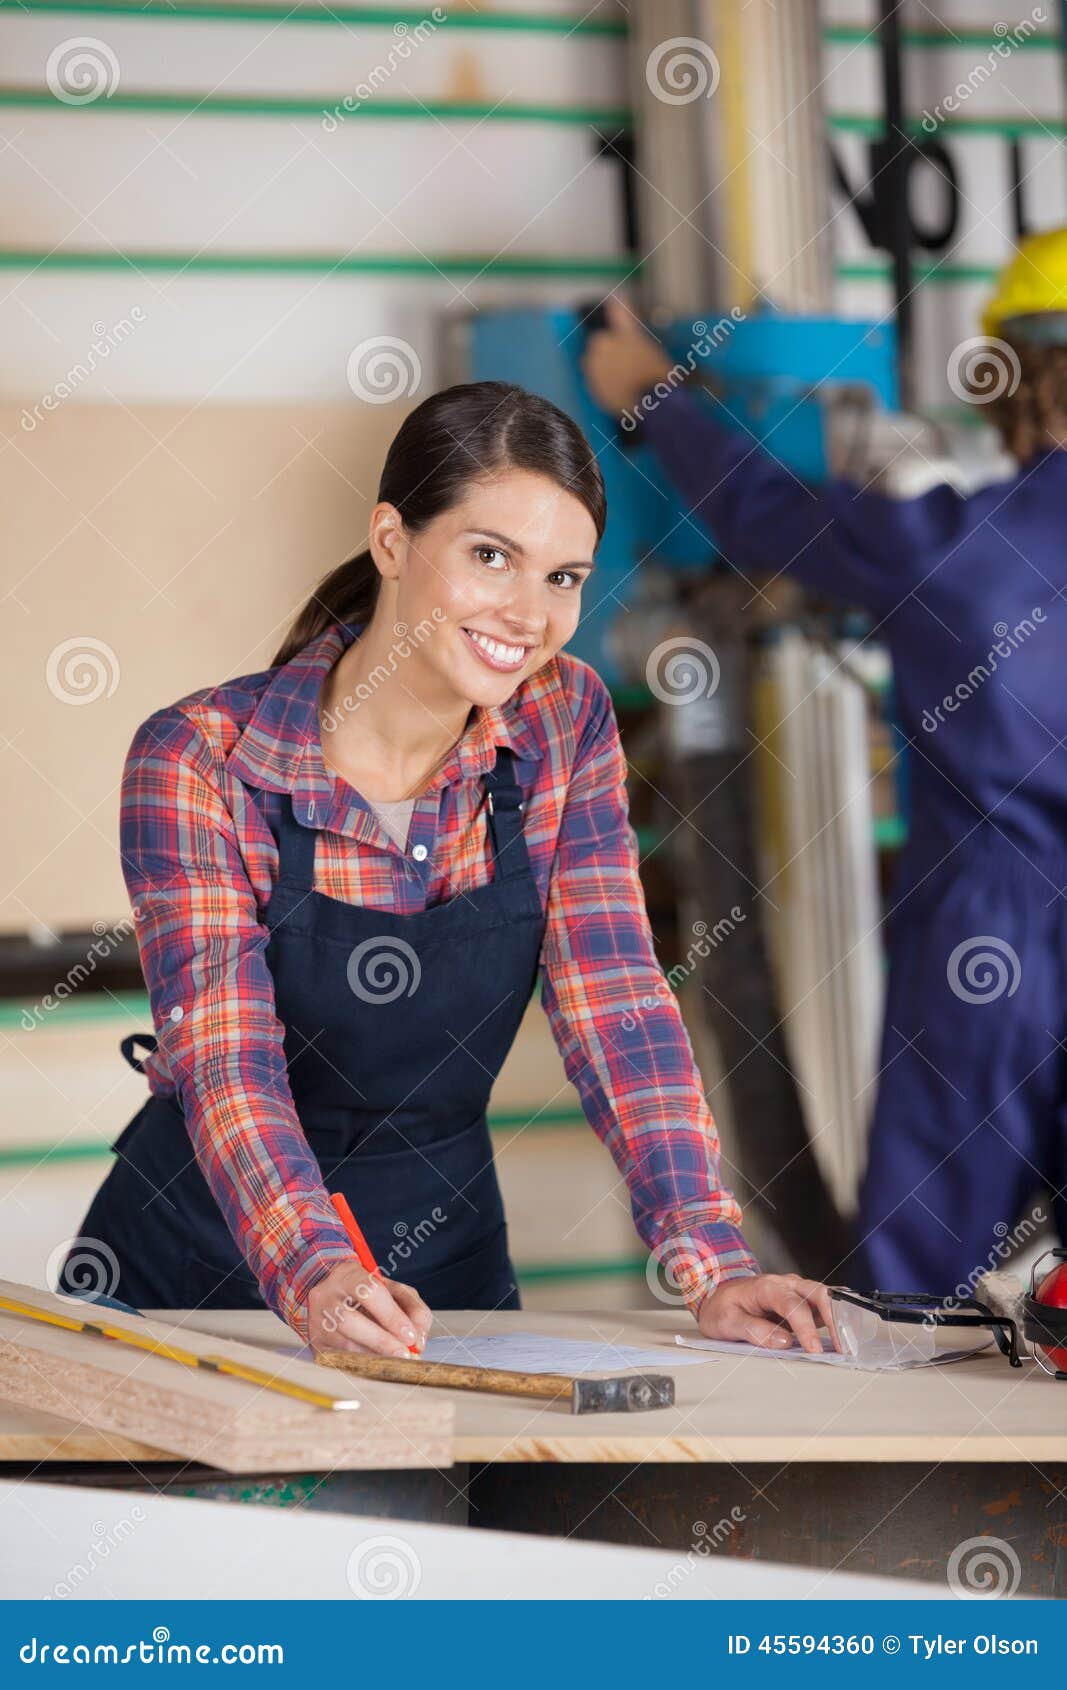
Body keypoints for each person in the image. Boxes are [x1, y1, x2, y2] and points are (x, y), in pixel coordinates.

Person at [62, 380, 837, 1358]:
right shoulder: (203, 758)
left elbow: (612, 997)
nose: (528, 613)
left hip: (446, 1280)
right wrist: (312, 1269)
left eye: (563, 576)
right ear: (391, 540)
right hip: (196, 1277)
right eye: (489, 556)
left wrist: (712, 1258)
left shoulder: (562, 717)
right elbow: (226, 1060)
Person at [582, 231, 1067, 1295]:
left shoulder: (953, 544)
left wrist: (650, 394)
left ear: (1023, 378)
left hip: (986, 943)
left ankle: (907, 1462)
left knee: (915, 1292)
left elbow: (762, 514)